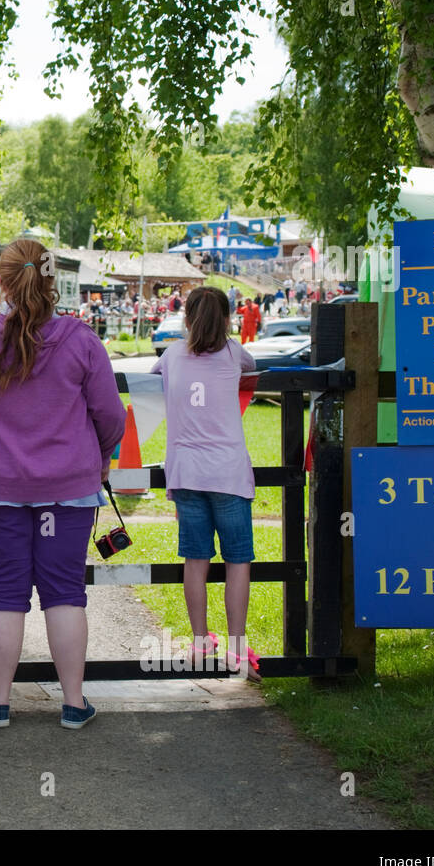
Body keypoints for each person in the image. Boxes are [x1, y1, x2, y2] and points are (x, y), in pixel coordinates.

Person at [0, 238, 124, 729]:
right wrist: (101, 457)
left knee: (3, 592)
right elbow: (109, 415)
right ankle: (73, 703)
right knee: (64, 592)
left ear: (1, 281)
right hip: (67, 486)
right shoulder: (81, 339)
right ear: (53, 280)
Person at [150, 287, 260, 682]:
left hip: (185, 471)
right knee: (237, 561)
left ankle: (199, 640)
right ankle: (235, 647)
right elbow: (251, 367)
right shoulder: (234, 353)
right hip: (228, 472)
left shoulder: (172, 354)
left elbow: (150, 383)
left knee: (195, 560)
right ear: (228, 318)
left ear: (187, 318)